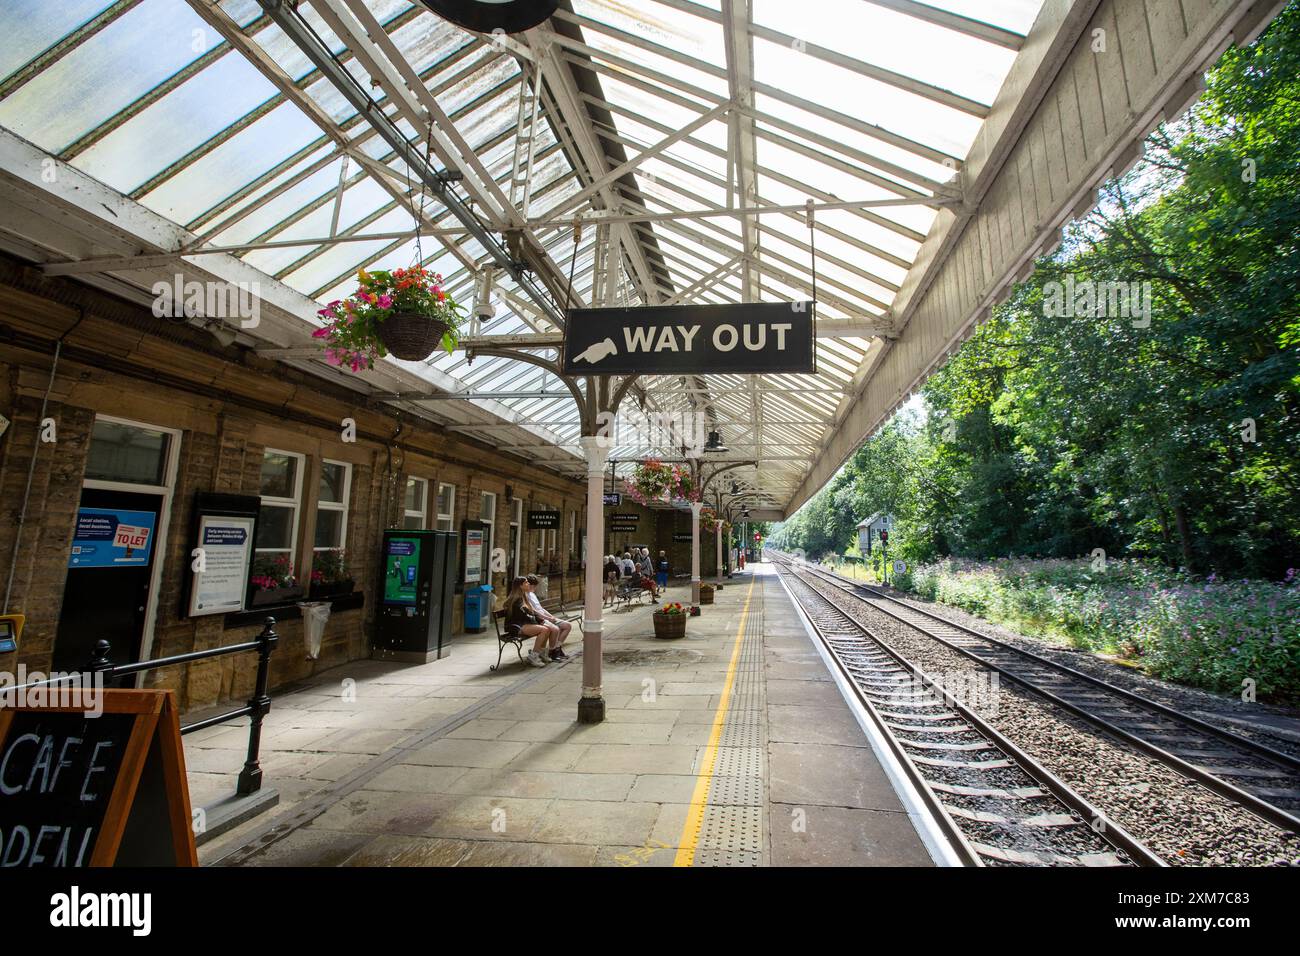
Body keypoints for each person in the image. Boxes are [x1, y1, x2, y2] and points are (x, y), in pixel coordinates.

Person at [503, 575, 554, 668]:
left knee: (548, 629)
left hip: (523, 623)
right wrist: (536, 621)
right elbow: (523, 615)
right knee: (544, 630)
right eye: (526, 582)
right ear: (520, 586)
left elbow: (531, 612)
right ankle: (533, 656)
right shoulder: (516, 599)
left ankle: (540, 653)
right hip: (516, 626)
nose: (528, 584)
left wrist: (540, 620)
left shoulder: (523, 596)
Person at [525, 573, 571, 658]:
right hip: (539, 619)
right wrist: (548, 618)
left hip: (545, 617)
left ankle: (557, 648)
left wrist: (551, 616)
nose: (535, 588)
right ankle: (552, 651)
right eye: (533, 586)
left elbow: (540, 608)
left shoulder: (532, 594)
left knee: (567, 626)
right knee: (554, 629)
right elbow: (534, 611)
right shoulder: (525, 596)